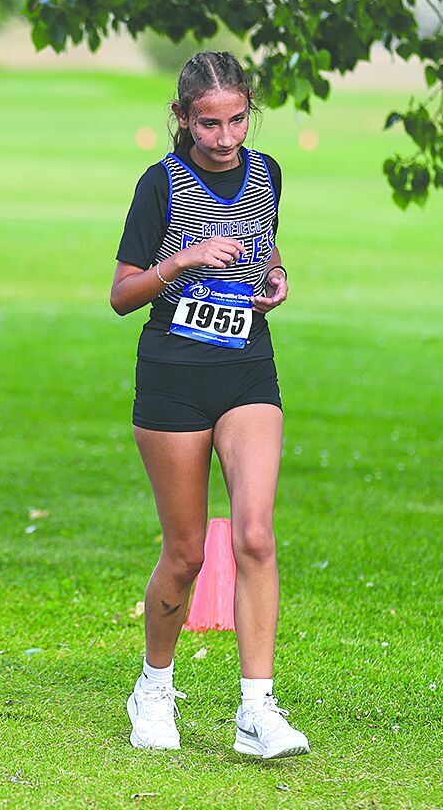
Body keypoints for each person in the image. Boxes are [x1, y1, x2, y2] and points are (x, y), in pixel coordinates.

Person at [110, 51, 308, 760]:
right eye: (208, 123)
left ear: (248, 110)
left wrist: (277, 272)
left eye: (235, 120)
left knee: (254, 534)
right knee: (188, 551)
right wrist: (180, 262)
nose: (224, 138)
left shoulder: (267, 172)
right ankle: (153, 688)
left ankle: (256, 709)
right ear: (182, 117)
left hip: (248, 364)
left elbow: (265, 239)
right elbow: (122, 294)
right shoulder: (159, 184)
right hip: (173, 374)